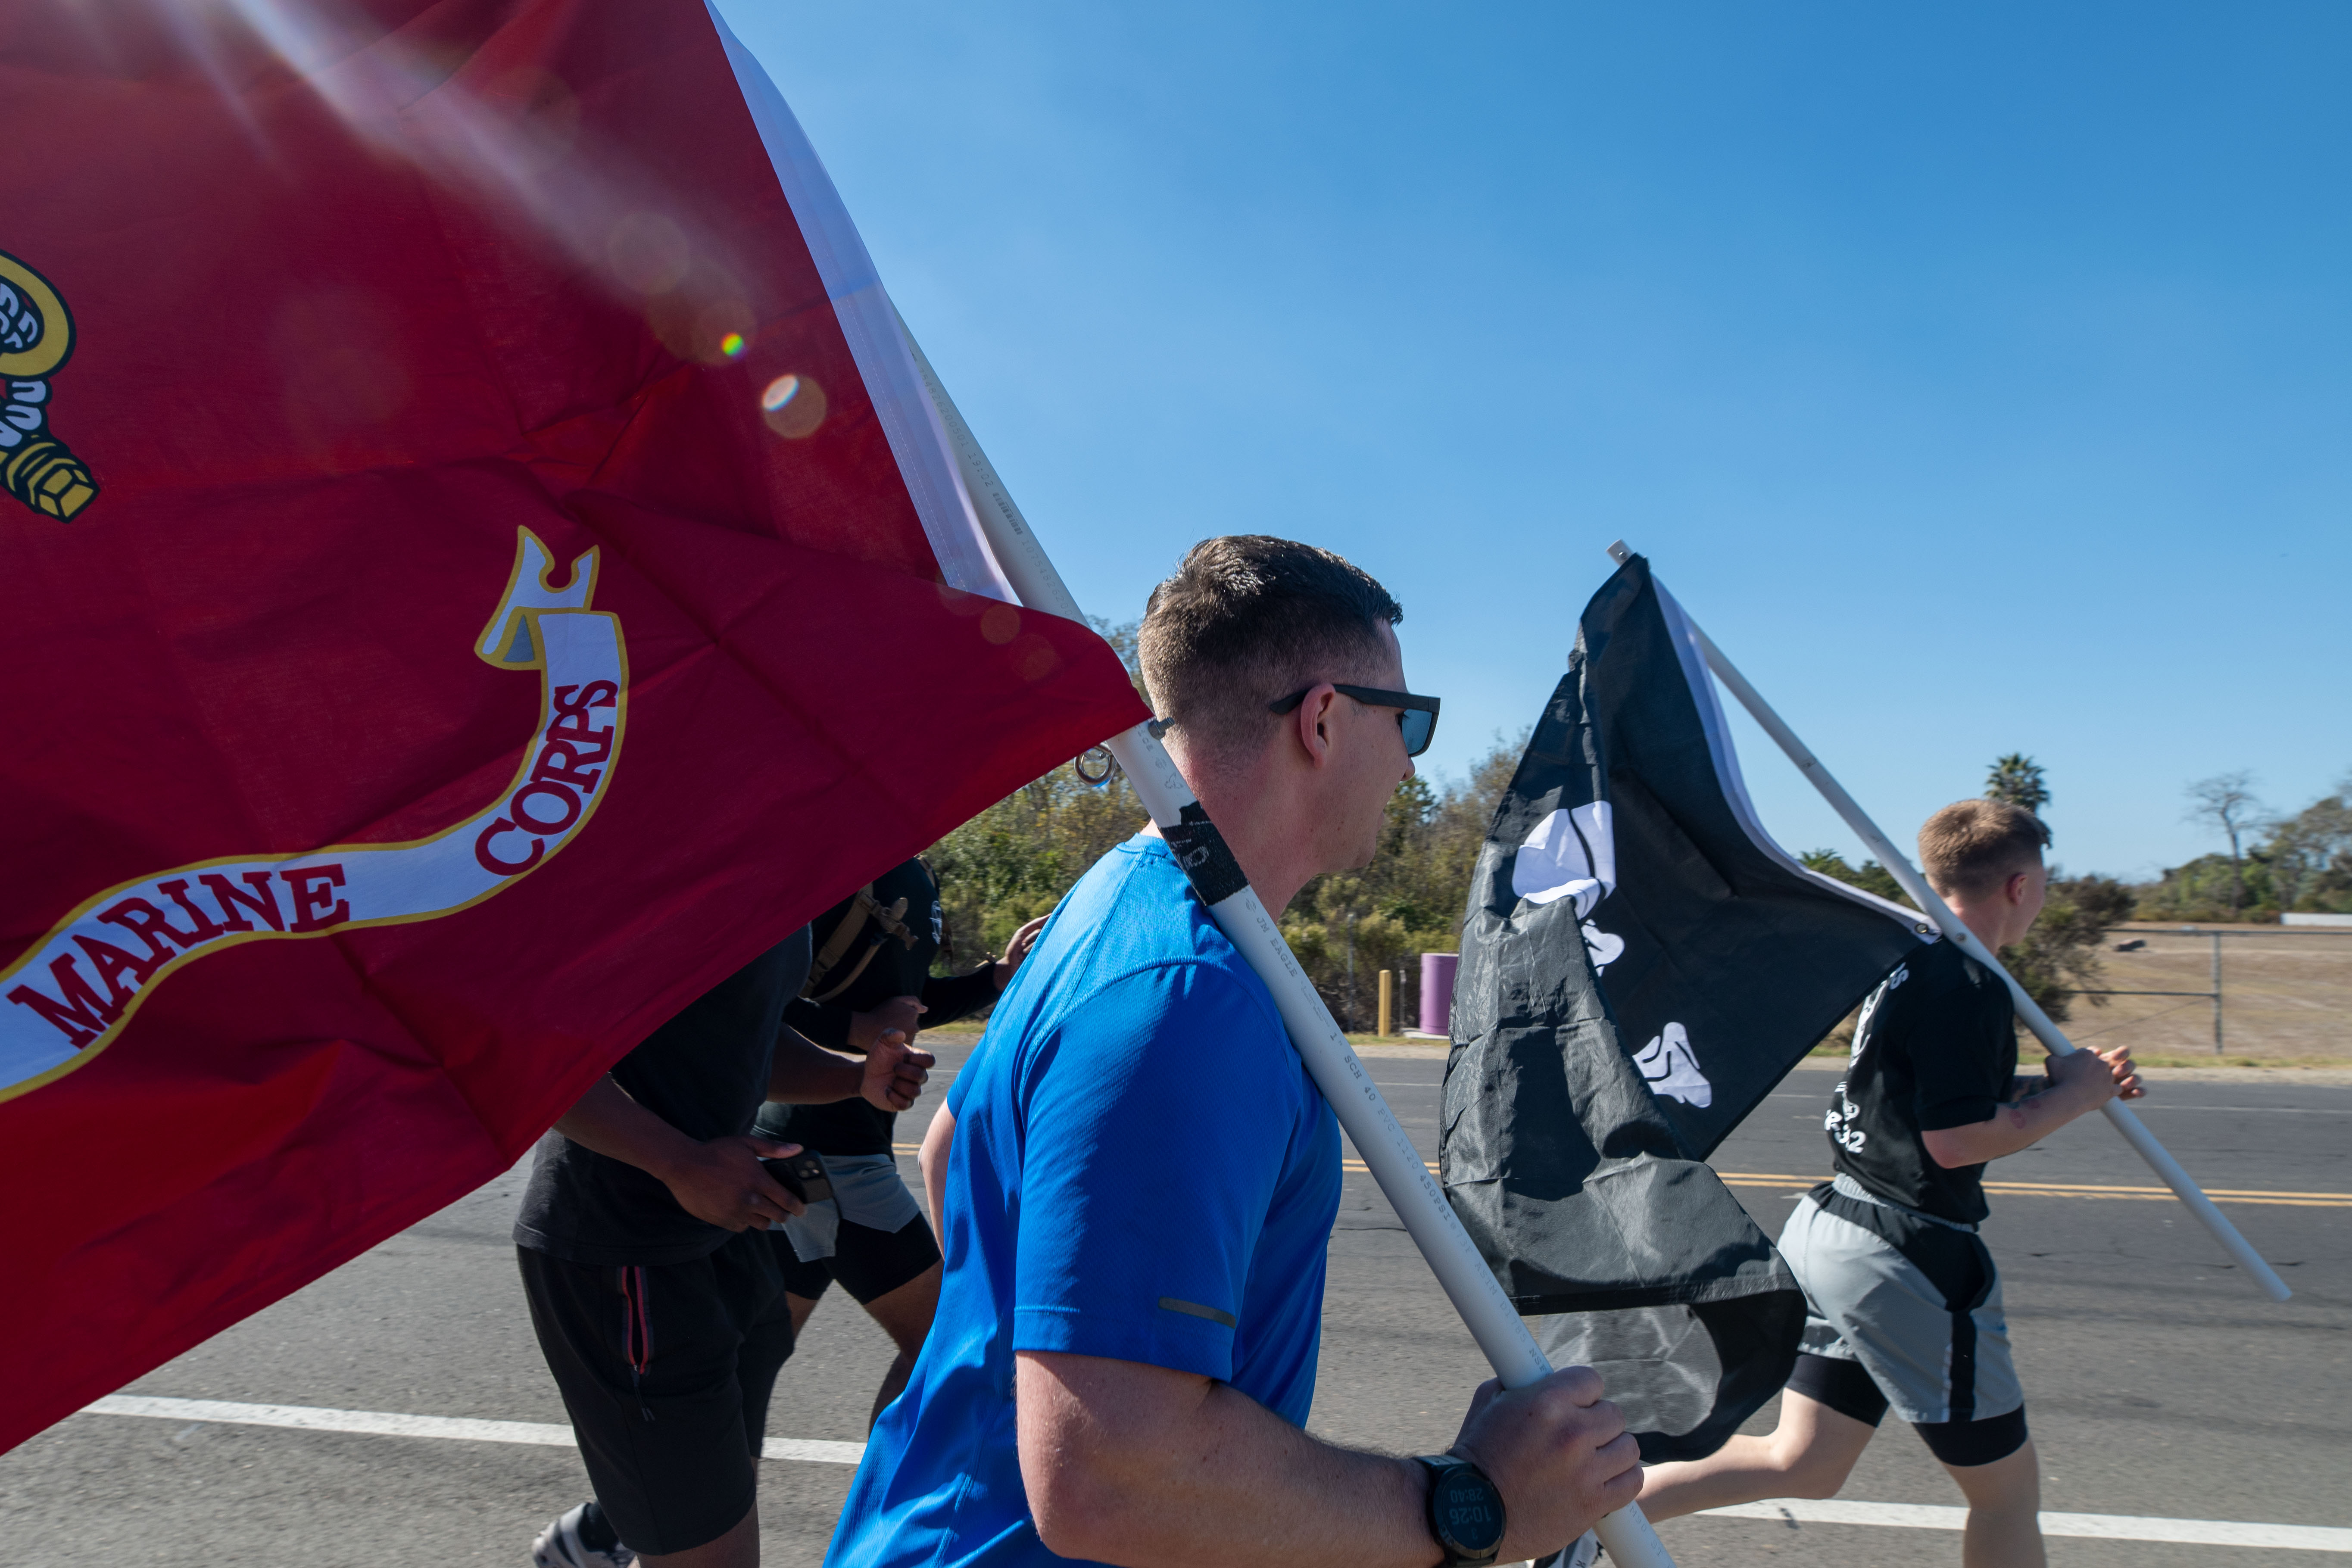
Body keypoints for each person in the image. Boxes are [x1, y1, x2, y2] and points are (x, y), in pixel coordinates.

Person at [828, 536, 1644, 1568]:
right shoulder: (1189, 994)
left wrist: (1040, 1335)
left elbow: (952, 1149)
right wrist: (1473, 1502)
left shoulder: (1119, 897)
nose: (1406, 762)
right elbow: (1108, 1477)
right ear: (1322, 719)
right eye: (1408, 722)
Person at [1635, 799, 2144, 1568]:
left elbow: (1930, 1109)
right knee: (2005, 1496)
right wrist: (2076, 1098)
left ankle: (1590, 1517)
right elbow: (1952, 1143)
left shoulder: (1913, 958)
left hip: (1838, 1225)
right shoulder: (1969, 982)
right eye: (2043, 881)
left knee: (1802, 1463)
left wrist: (2062, 1087)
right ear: (2017, 885)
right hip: (1902, 1251)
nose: (2044, 897)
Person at [518, 926, 936, 1568]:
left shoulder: (780, 870)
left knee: (718, 1482)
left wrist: (856, 1080)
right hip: (622, 1247)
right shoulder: (657, 852)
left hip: (722, 1232)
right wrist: (678, 1162)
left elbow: (743, 1038)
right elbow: (531, 1046)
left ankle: (620, 1526)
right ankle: (627, 1525)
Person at [750, 859, 1047, 1425]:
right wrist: (854, 1029)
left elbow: (907, 1002)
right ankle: (882, 1505)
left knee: (752, 1360)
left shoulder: (914, 875)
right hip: (829, 1156)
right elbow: (754, 996)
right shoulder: (836, 858)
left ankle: (665, 1511)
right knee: (948, 1342)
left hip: (818, 1154)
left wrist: (993, 980)